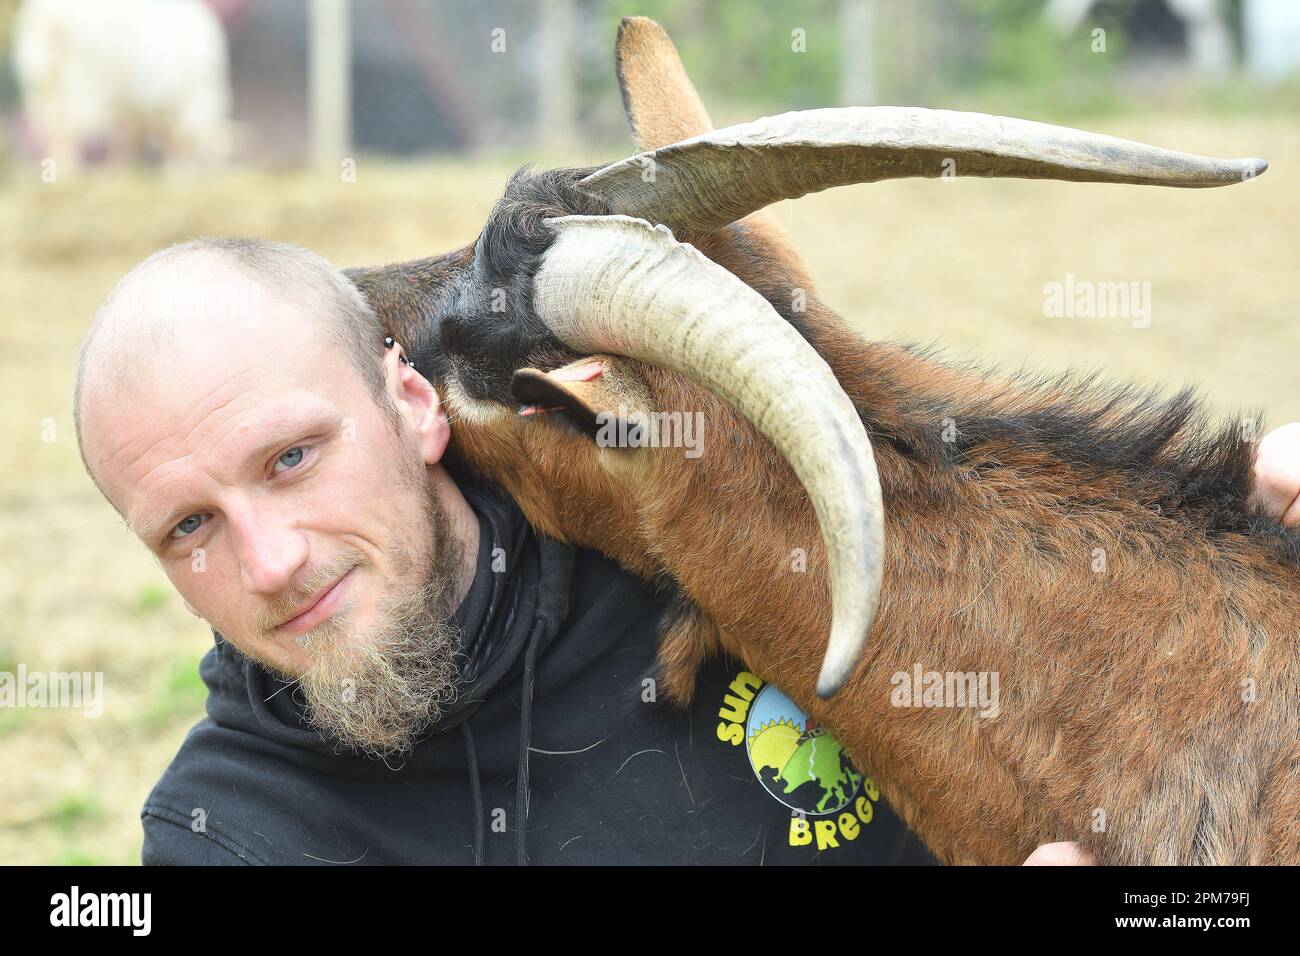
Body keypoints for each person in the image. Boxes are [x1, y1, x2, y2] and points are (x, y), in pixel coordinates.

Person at [73, 237, 1300, 865]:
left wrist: (1232, 520)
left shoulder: (689, 532)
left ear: (411, 400)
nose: (271, 559)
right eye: (189, 528)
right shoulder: (233, 834)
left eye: (293, 457)